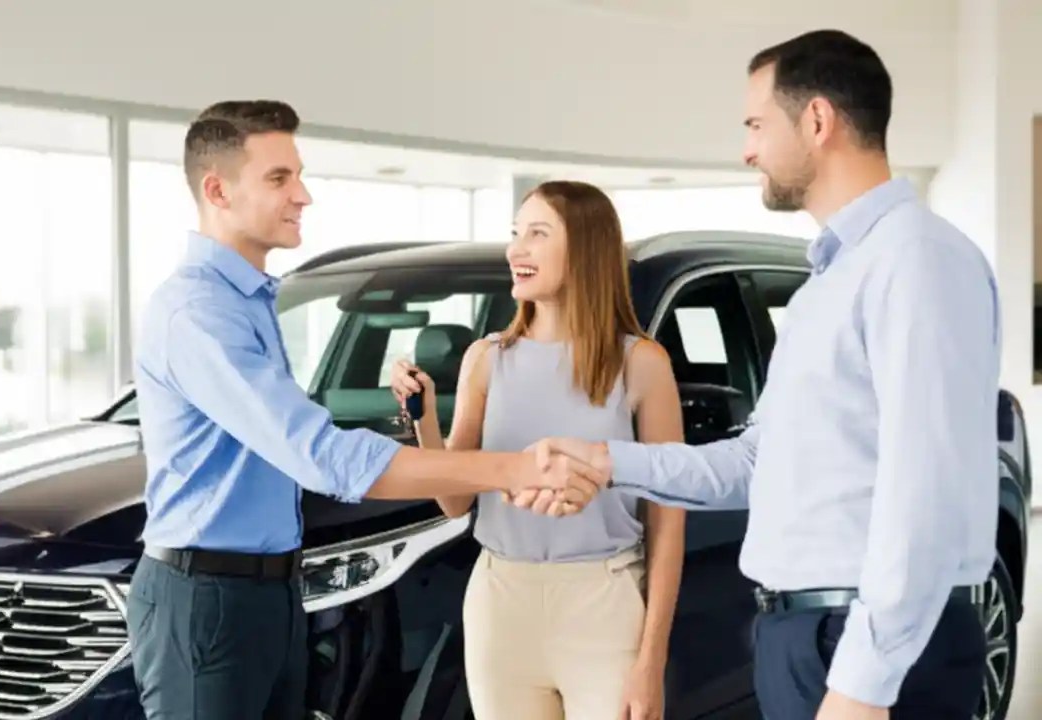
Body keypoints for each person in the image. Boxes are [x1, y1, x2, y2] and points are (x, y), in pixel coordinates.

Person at [523, 30, 1000, 720]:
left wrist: (863, 683)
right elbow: (756, 461)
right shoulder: (826, 285)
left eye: (755, 124)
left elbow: (925, 486)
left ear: (816, 120)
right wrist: (604, 460)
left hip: (866, 649)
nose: (747, 149)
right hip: (804, 638)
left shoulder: (917, 259)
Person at [126, 100, 609, 720]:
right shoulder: (199, 312)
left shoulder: (246, 301)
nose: (303, 195)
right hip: (209, 600)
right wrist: (513, 470)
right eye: (279, 178)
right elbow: (323, 457)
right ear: (217, 190)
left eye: (297, 174)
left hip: (266, 595)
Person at [390, 180, 686, 720]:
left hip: (604, 600)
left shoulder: (642, 363)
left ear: (585, 249)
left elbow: (669, 523)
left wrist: (651, 660)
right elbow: (456, 503)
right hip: (502, 600)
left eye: (536, 234)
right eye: (514, 233)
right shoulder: (486, 359)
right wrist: (426, 418)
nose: (515, 249)